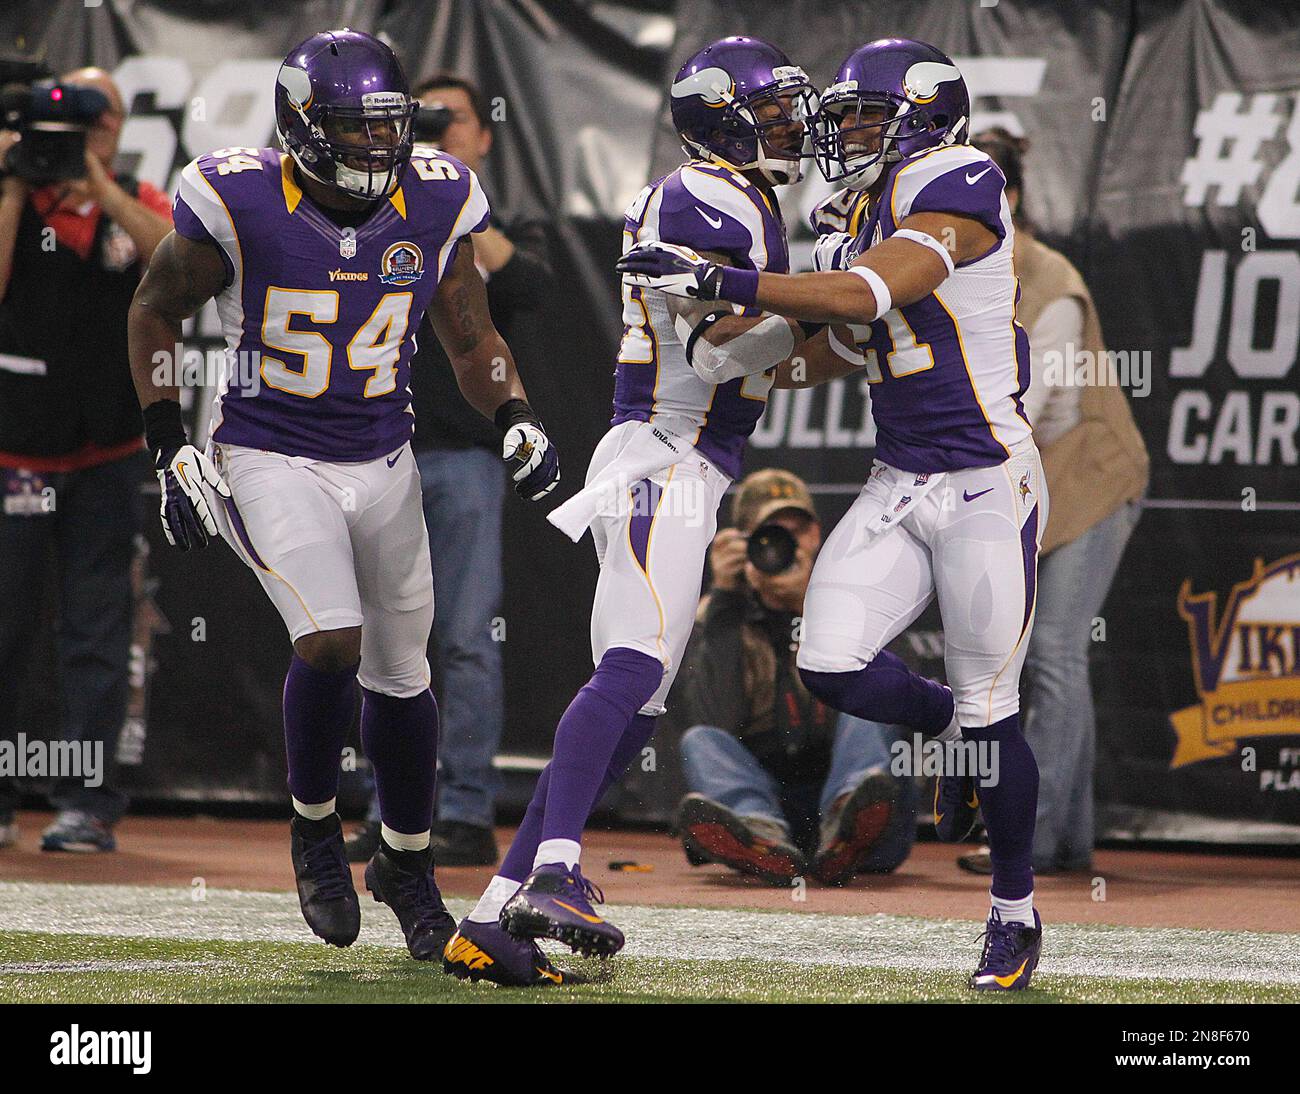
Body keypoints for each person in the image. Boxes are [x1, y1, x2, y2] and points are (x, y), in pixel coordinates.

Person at [621, 38, 1047, 992]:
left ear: (926, 119)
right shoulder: (853, 210)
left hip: (986, 483)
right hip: (900, 480)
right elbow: (849, 342)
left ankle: (1012, 915)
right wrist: (738, 356)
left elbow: (867, 292)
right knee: (829, 659)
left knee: (993, 703)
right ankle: (960, 734)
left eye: (865, 117)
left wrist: (726, 281)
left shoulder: (958, 179)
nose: (840, 133)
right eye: (842, 115)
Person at [126, 30, 559, 961]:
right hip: (267, 453)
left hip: (384, 455)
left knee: (405, 677)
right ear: (302, 128)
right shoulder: (241, 195)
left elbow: (468, 332)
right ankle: (316, 826)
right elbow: (154, 307)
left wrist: (514, 412)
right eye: (354, 131)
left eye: (385, 129)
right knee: (330, 641)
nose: (376, 148)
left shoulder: (436, 195)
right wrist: (167, 444)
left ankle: (406, 862)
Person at [443, 35, 822, 987]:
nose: (789, 124)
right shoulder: (702, 195)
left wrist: (826, 324)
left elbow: (759, 348)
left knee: (634, 711)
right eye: (769, 110)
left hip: (689, 461)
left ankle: (492, 914)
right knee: (631, 666)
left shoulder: (748, 200)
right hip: (663, 453)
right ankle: (559, 871)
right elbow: (720, 347)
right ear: (720, 119)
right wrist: (842, 306)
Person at [344, 73, 552, 868]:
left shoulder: (490, 221)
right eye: (417, 120)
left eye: (450, 120)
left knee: (465, 639)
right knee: (379, 640)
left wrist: (447, 188)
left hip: (464, 455)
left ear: (485, 133)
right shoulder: (372, 207)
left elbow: (533, 287)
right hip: (375, 450)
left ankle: (464, 806)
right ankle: (393, 806)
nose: (433, 131)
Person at [953, 128, 1148, 878]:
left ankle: (1028, 842)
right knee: (1060, 662)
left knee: (1058, 657)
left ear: (1008, 198)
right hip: (1040, 479)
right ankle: (1068, 841)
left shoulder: (1051, 278)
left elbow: (1030, 407)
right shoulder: (968, 268)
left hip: (1093, 476)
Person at [0, 67, 172, 853]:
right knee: (5, 625)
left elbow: (173, 266)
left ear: (117, 127)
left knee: (97, 630)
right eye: (63, 122)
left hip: (105, 452)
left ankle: (87, 801)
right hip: (17, 454)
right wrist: (11, 184)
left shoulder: (136, 196)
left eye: (96, 119)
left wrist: (99, 187)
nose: (79, 134)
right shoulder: (15, 196)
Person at [674, 469, 916, 886]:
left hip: (865, 808)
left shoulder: (858, 598)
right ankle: (758, 832)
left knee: (870, 707)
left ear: (817, 534)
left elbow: (901, 694)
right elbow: (717, 719)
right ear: (743, 544)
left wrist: (811, 604)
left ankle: (848, 819)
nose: (786, 544)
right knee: (699, 741)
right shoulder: (720, 616)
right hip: (773, 800)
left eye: (797, 530)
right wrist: (726, 602)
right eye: (770, 533)